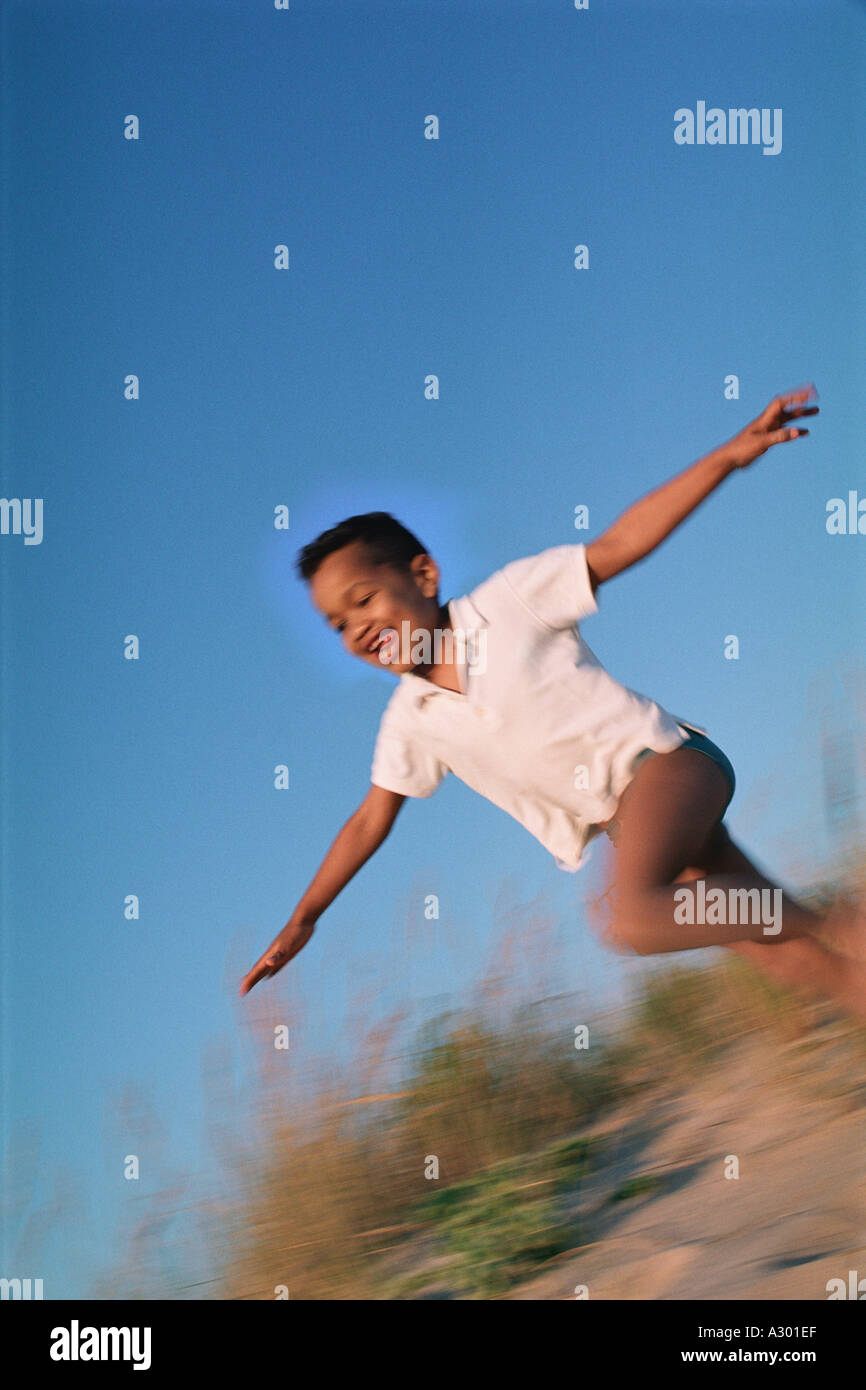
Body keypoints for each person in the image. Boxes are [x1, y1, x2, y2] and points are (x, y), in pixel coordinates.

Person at [240, 384, 866, 1019]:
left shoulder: (510, 600)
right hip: (631, 828)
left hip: (670, 768)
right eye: (338, 625)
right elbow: (369, 820)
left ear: (424, 576)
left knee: (633, 920)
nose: (358, 628)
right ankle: (841, 953)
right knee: (783, 951)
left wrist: (727, 458)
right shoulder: (410, 720)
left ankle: (838, 917)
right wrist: (303, 919)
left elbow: (622, 543)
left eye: (364, 599)